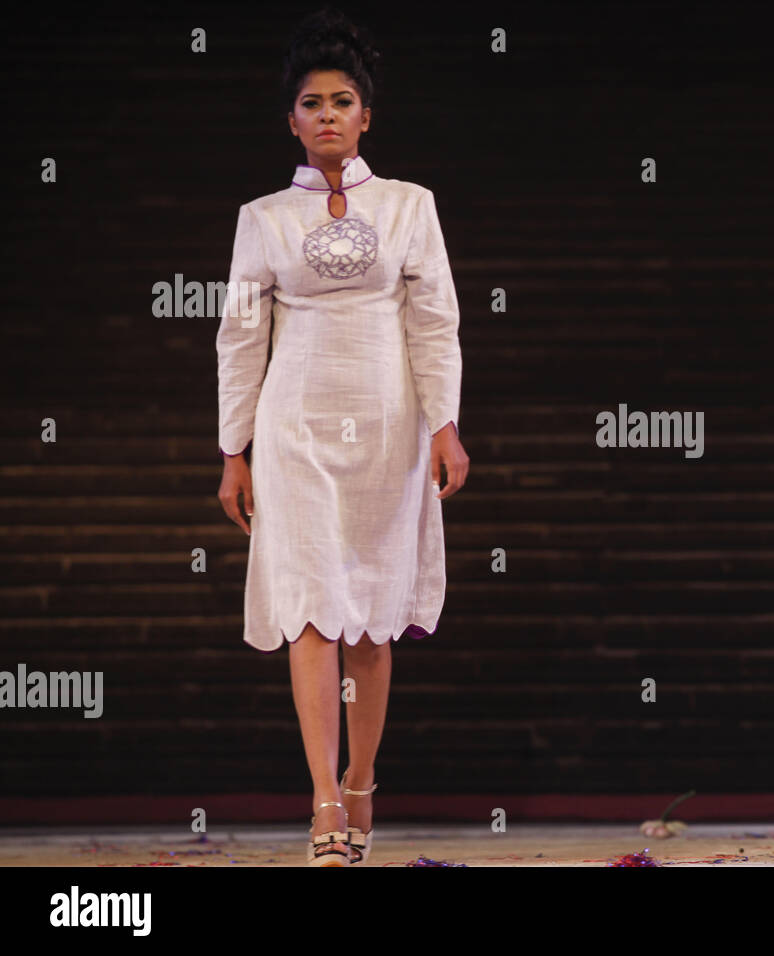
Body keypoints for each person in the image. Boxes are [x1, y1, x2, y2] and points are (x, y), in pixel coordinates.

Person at [215, 9, 469, 866]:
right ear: (291, 119)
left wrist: (444, 424)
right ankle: (324, 797)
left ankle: (363, 779)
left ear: (367, 116)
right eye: (311, 102)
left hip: (391, 428)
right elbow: (241, 335)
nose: (327, 114)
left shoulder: (409, 208)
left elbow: (436, 323)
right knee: (311, 613)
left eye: (343, 101)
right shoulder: (262, 219)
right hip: (295, 431)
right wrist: (232, 448)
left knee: (372, 621)